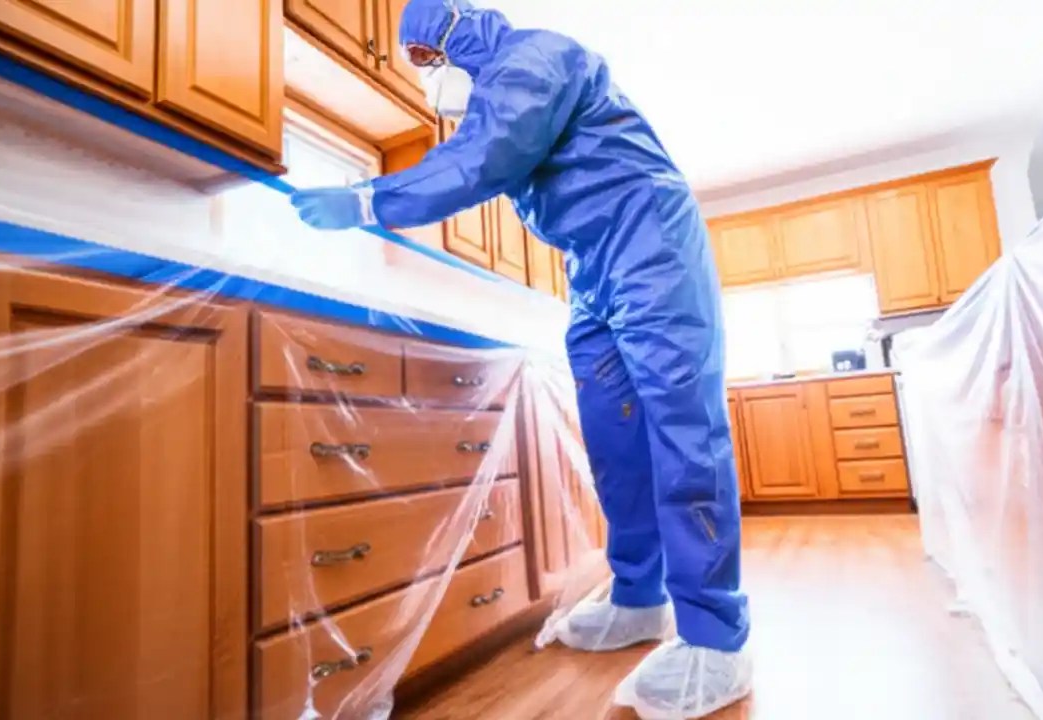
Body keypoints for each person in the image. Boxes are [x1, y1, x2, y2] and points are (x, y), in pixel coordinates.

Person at [291, 1, 751, 717]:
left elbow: (483, 156)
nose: (427, 79)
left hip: (650, 245)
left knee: (682, 433)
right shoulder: (499, 91)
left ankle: (716, 634)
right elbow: (486, 152)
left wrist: (366, 199)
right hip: (595, 269)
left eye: (423, 58)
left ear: (449, 31)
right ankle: (639, 596)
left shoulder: (533, 58)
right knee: (617, 441)